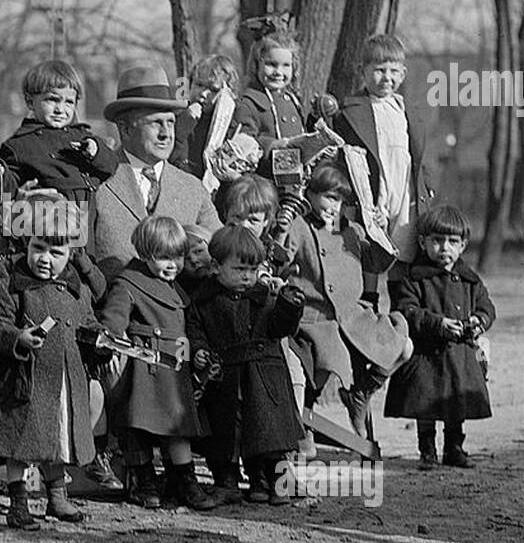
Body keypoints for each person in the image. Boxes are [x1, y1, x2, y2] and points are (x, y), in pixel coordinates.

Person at [0, 213, 110, 530]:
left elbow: (87, 323)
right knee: (20, 442)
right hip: (25, 379)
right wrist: (16, 338)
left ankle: (57, 496)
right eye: (39, 248)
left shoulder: (77, 287)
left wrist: (100, 340)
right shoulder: (11, 279)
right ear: (27, 243)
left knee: (58, 437)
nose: (45, 259)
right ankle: (17, 502)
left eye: (56, 253)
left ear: (71, 254)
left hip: (63, 379)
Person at [282, 162, 412, 440]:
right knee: (327, 371)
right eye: (328, 197)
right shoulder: (300, 227)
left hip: (354, 316)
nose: (334, 206)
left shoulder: (351, 229)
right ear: (310, 194)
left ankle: (361, 393)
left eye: (339, 200)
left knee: (404, 347)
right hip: (317, 319)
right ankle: (302, 427)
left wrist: (378, 230)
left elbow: (377, 262)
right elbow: (280, 261)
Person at [99, 216, 214, 512]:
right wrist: (109, 339)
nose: (172, 264)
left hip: (174, 369)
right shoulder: (129, 283)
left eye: (177, 256)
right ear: (145, 254)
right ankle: (143, 482)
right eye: (163, 257)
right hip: (144, 367)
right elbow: (115, 316)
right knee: (136, 427)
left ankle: (184, 480)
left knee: (178, 429)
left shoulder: (177, 289)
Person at [187, 225, 306, 505]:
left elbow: (280, 328)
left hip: (263, 376)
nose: (247, 277)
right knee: (226, 435)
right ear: (216, 267)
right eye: (240, 269)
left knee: (267, 433)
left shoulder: (263, 297)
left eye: (252, 270)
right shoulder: (204, 301)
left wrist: (290, 305)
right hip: (225, 377)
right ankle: (227, 482)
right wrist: (199, 350)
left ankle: (272, 482)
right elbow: (196, 330)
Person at [384, 205, 496, 468]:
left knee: (457, 399)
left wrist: (478, 321)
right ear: (423, 242)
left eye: (452, 242)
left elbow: (486, 306)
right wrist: (437, 323)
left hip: (459, 352)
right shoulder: (415, 278)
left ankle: (454, 447)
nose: (444, 248)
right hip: (427, 353)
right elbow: (406, 310)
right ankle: (427, 450)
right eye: (437, 241)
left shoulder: (470, 280)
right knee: (426, 401)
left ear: (463, 246)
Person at [89, 63, 220, 279]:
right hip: (111, 307)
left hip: (179, 309)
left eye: (170, 122)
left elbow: (222, 248)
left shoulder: (192, 188)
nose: (166, 134)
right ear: (125, 129)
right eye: (155, 123)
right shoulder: (97, 182)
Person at [333, 33, 435, 263]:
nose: (386, 78)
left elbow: (417, 154)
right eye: (379, 70)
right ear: (363, 71)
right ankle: (370, 297)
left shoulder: (405, 109)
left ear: (403, 73)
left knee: (405, 249)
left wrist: (426, 185)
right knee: (371, 250)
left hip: (404, 189)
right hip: (372, 190)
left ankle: (403, 297)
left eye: (393, 71)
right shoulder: (351, 110)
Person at [0, 59, 120, 203]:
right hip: (52, 221)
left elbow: (112, 166)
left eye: (69, 102)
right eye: (52, 99)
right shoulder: (20, 146)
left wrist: (96, 151)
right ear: (30, 102)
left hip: (90, 220)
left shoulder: (83, 137)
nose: (60, 109)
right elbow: (8, 192)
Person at [233, 27, 309, 177]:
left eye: (286, 65)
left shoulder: (292, 100)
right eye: (271, 64)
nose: (278, 72)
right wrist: (272, 145)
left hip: (296, 176)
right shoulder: (249, 102)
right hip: (264, 179)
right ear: (257, 65)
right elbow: (242, 142)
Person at [177, 54, 241, 190]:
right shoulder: (178, 115)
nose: (203, 94)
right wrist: (181, 128)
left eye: (213, 90)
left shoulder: (231, 124)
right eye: (199, 85)